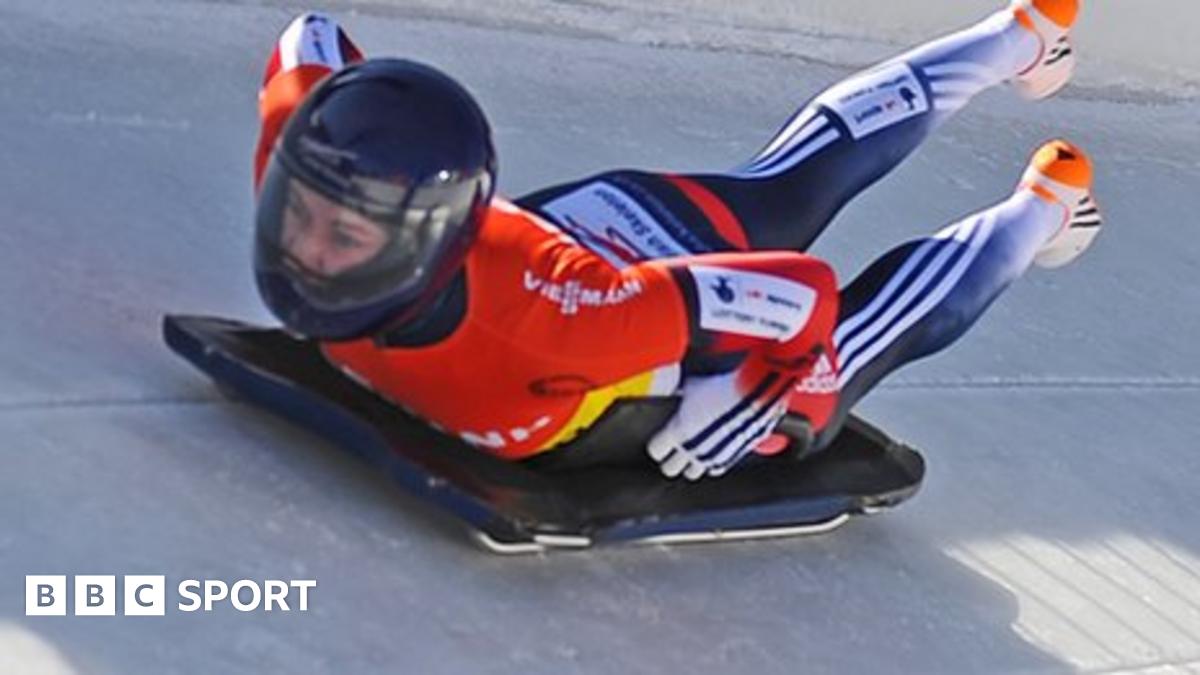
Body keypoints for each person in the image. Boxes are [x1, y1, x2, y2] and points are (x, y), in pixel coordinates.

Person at [252, 1, 1103, 481]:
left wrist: (760, 381)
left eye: (348, 236)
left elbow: (804, 290)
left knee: (823, 374)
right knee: (788, 177)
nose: (309, 254)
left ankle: (1043, 208)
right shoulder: (317, 161)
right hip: (594, 231)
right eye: (300, 219)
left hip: (660, 318)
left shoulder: (565, 325)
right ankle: (1020, 36)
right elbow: (309, 39)